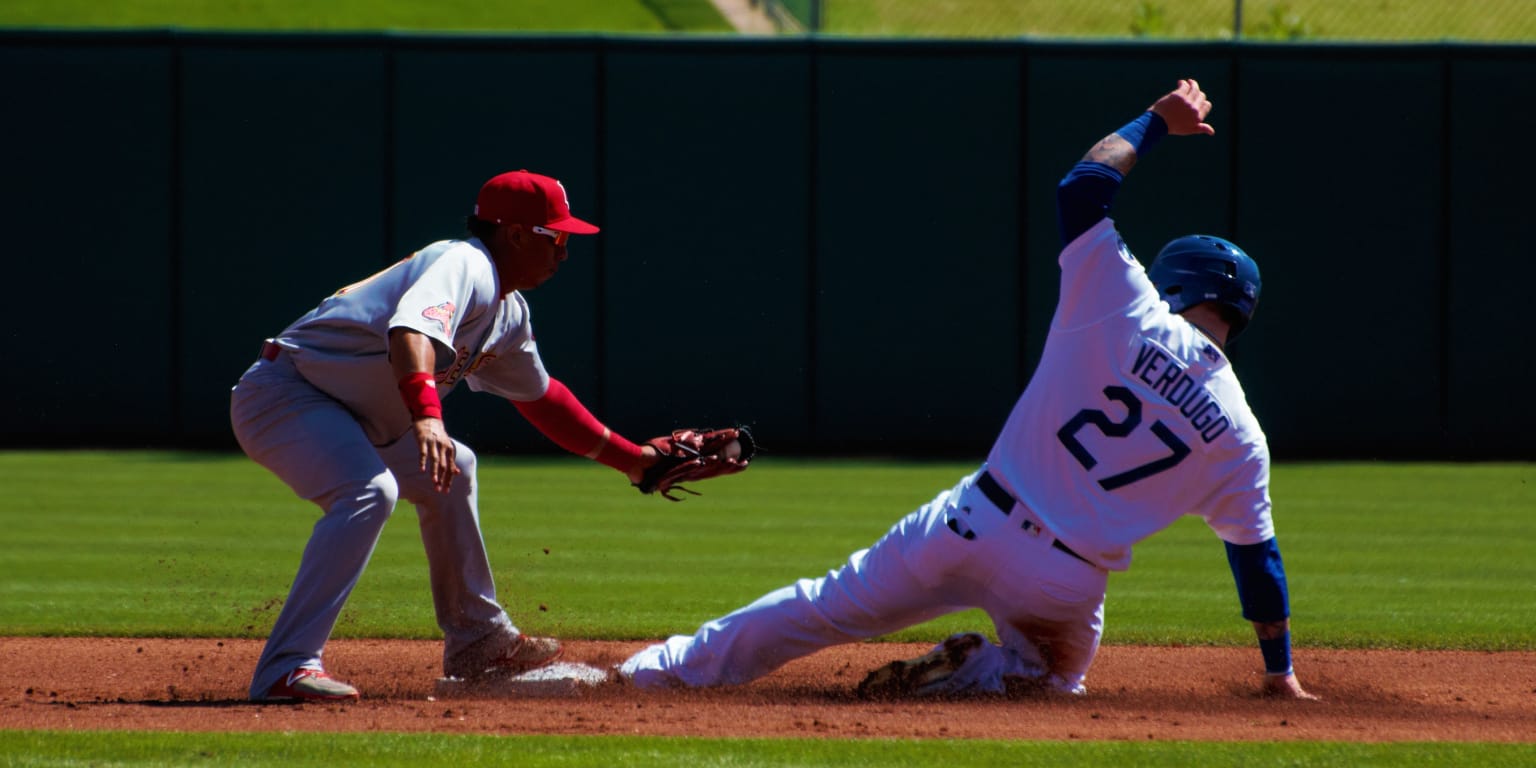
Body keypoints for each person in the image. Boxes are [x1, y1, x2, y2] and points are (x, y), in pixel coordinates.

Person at [618, 79, 1317, 701]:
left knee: (825, 605)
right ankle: (978, 672)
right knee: (1051, 683)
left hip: (972, 520)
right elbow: (1258, 565)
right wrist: (1278, 670)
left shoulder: (1125, 301)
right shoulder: (1241, 434)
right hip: (1065, 580)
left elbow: (1082, 186)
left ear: (1174, 284)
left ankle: (656, 673)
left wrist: (1158, 120)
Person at [231, 170, 665, 702]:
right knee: (369, 492)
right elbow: (409, 332)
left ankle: (476, 641)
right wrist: (429, 418)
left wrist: (636, 461)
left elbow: (543, 399)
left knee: (453, 469)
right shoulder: (465, 262)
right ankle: (286, 667)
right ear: (516, 234)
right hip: (287, 394)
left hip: (351, 414)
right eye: (557, 236)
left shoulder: (507, 311)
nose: (565, 251)